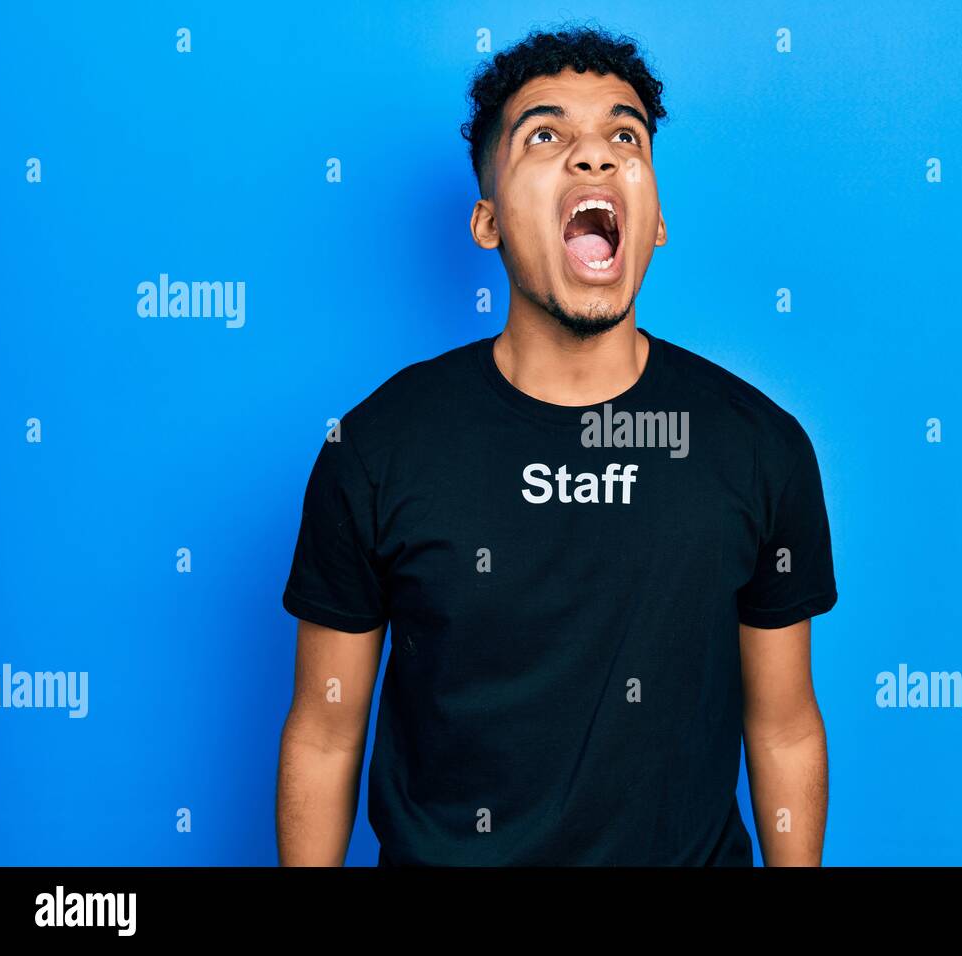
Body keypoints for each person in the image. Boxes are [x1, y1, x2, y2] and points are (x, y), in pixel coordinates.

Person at [276, 24, 838, 867]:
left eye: (624, 137)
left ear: (656, 223)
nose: (594, 155)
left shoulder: (760, 448)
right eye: (545, 135)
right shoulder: (376, 447)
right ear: (488, 222)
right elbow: (324, 734)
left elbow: (785, 725)